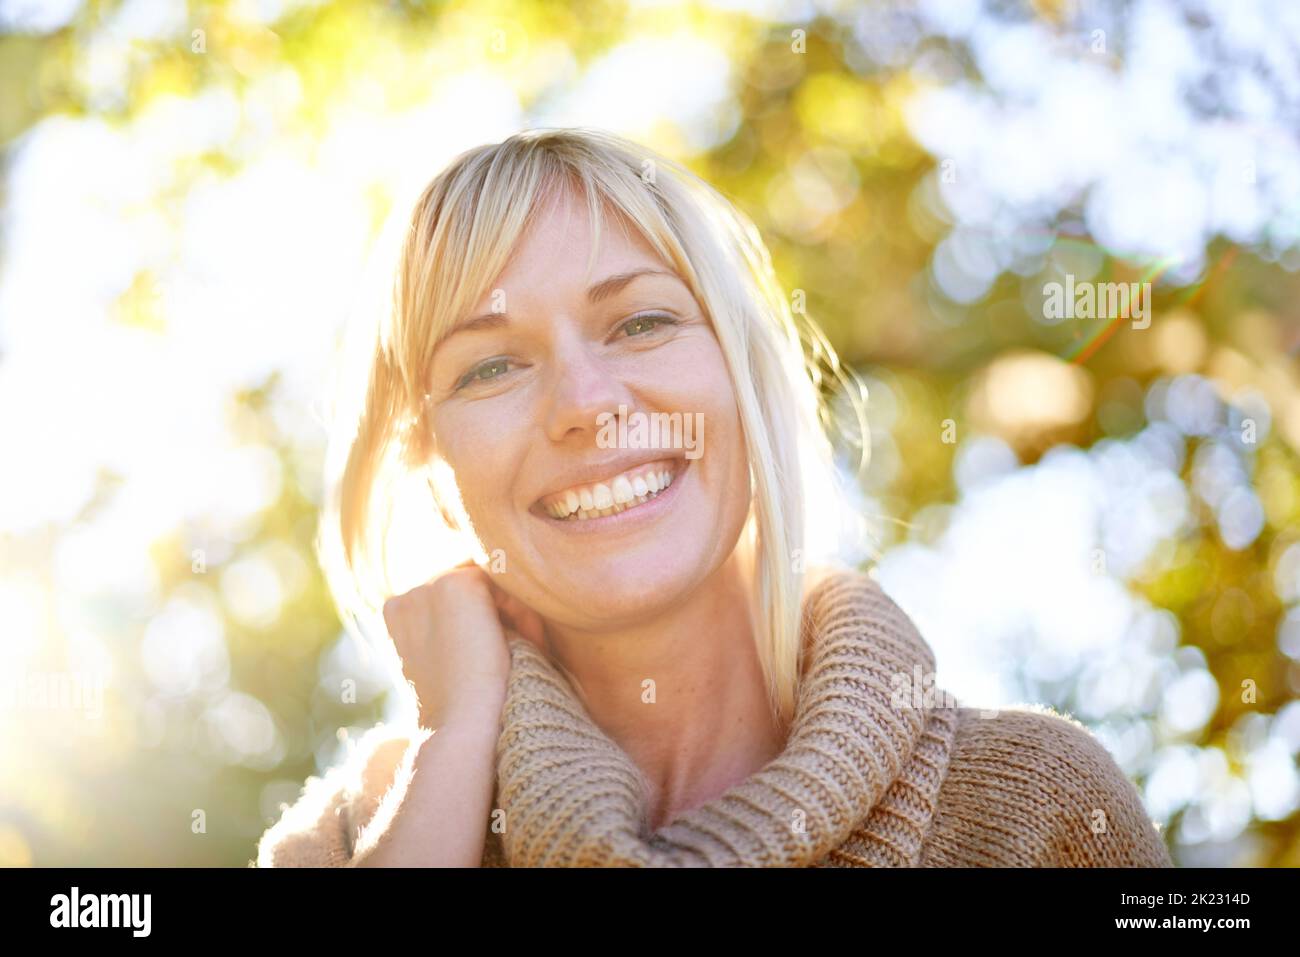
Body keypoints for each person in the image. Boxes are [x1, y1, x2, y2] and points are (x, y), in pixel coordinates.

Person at [255, 128, 1173, 868]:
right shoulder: (351, 838)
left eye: (641, 321)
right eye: (491, 365)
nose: (587, 407)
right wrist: (452, 746)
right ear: (431, 461)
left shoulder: (1038, 811)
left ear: (743, 371)